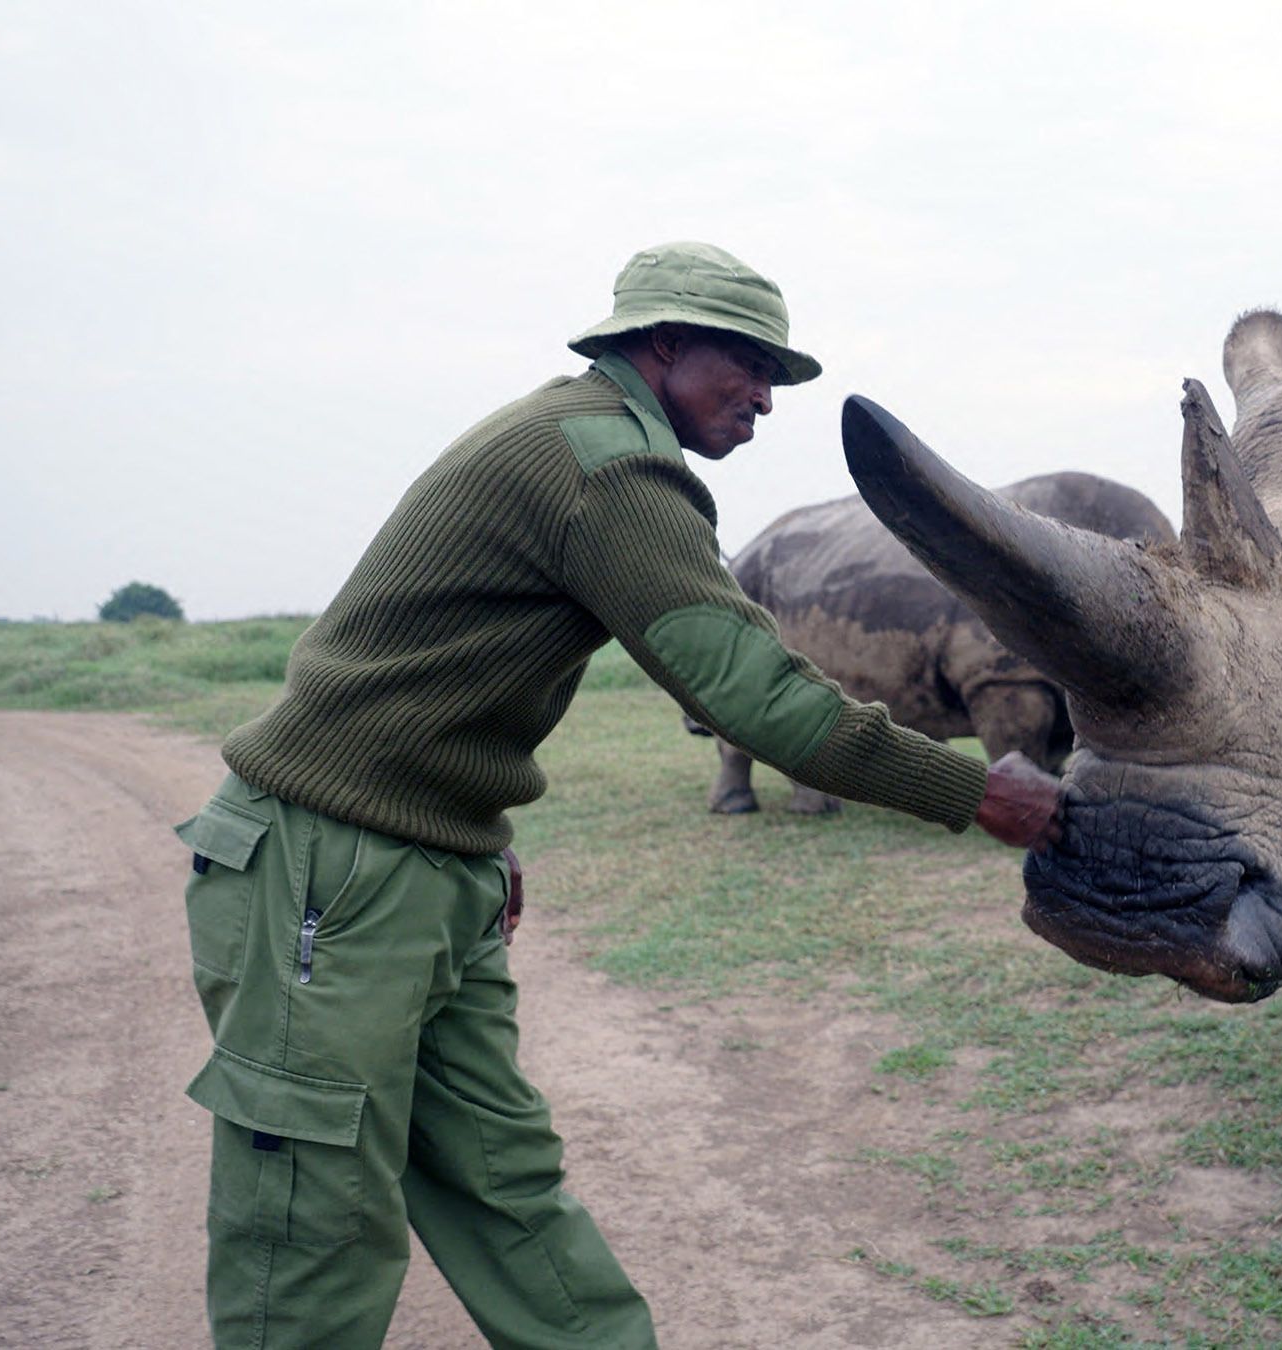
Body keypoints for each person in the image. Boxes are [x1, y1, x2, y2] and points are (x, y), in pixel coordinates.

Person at [174, 241, 1062, 1348]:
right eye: (746, 364)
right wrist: (975, 793)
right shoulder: (606, 469)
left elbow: (437, 662)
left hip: (420, 862)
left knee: (503, 1182)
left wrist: (465, 833)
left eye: (778, 377)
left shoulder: (573, 444)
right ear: (663, 344)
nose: (766, 400)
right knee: (312, 1214)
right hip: (330, 867)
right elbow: (755, 692)